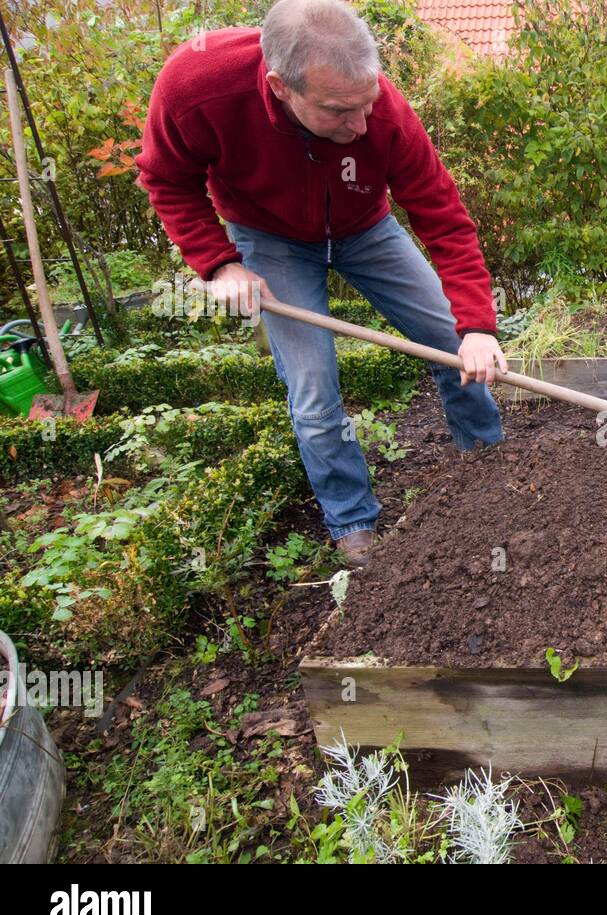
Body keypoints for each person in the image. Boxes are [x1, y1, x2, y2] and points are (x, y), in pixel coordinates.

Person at [135, 0, 508, 567]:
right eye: (339, 111)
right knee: (313, 386)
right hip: (270, 238)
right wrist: (218, 262)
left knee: (451, 341)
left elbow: (442, 216)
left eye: (368, 104)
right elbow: (166, 178)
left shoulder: (381, 113)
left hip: (366, 228)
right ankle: (353, 519)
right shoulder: (196, 86)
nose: (359, 126)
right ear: (281, 87)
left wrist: (477, 326)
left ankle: (487, 462)